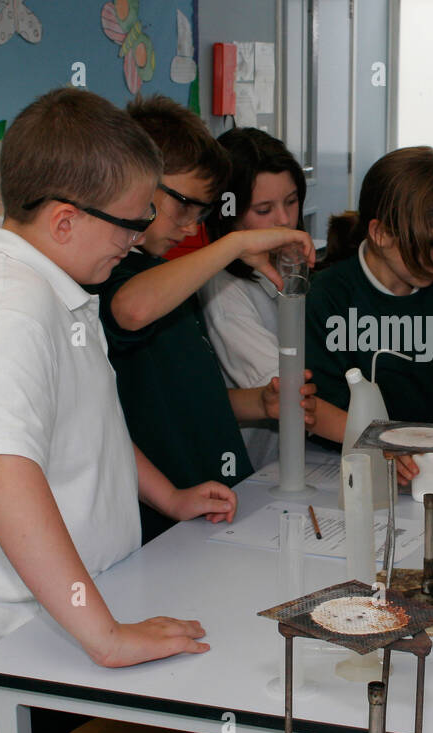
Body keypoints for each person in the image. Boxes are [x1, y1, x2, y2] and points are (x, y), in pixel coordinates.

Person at [0, 89, 229, 733]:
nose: (139, 240)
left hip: (64, 607)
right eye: (129, 225)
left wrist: (166, 497)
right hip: (17, 627)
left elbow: (88, 423)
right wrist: (104, 634)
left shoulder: (53, 284)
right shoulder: (10, 306)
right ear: (64, 220)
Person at [94, 96, 318, 541]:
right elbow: (132, 309)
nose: (192, 226)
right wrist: (234, 246)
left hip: (212, 500)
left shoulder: (168, 278)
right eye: (184, 206)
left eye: (202, 213)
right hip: (156, 518)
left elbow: (184, 396)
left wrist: (259, 404)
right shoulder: (108, 273)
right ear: (136, 180)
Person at [306, 146, 433, 485]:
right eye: (431, 246)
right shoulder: (328, 296)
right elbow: (310, 406)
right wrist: (386, 448)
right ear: (381, 234)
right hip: (340, 469)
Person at [199, 127, 347, 468]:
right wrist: (380, 441)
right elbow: (289, 396)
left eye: (291, 201)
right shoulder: (223, 291)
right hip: (251, 468)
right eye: (264, 209)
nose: (284, 220)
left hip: (301, 455)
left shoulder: (290, 259)